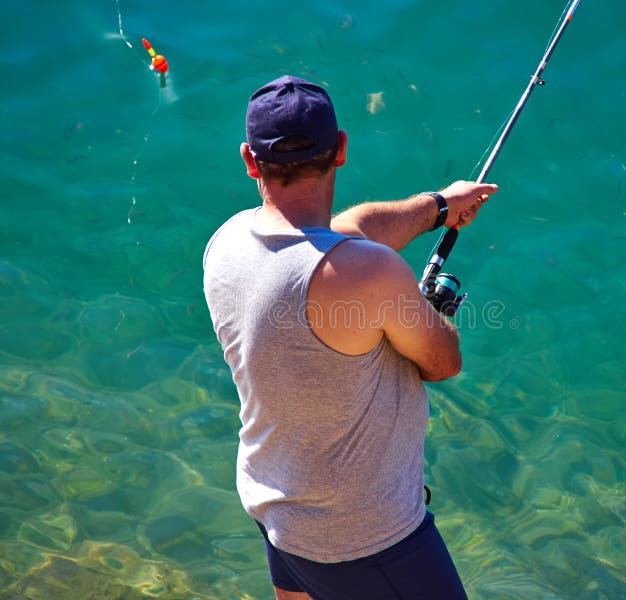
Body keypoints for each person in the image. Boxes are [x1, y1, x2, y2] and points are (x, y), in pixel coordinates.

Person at [203, 75, 497, 600]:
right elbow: (442, 360)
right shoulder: (369, 274)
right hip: (369, 538)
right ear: (340, 149)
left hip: (278, 511)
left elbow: (343, 232)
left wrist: (438, 206)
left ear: (250, 159)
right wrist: (425, 311)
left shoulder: (225, 246)